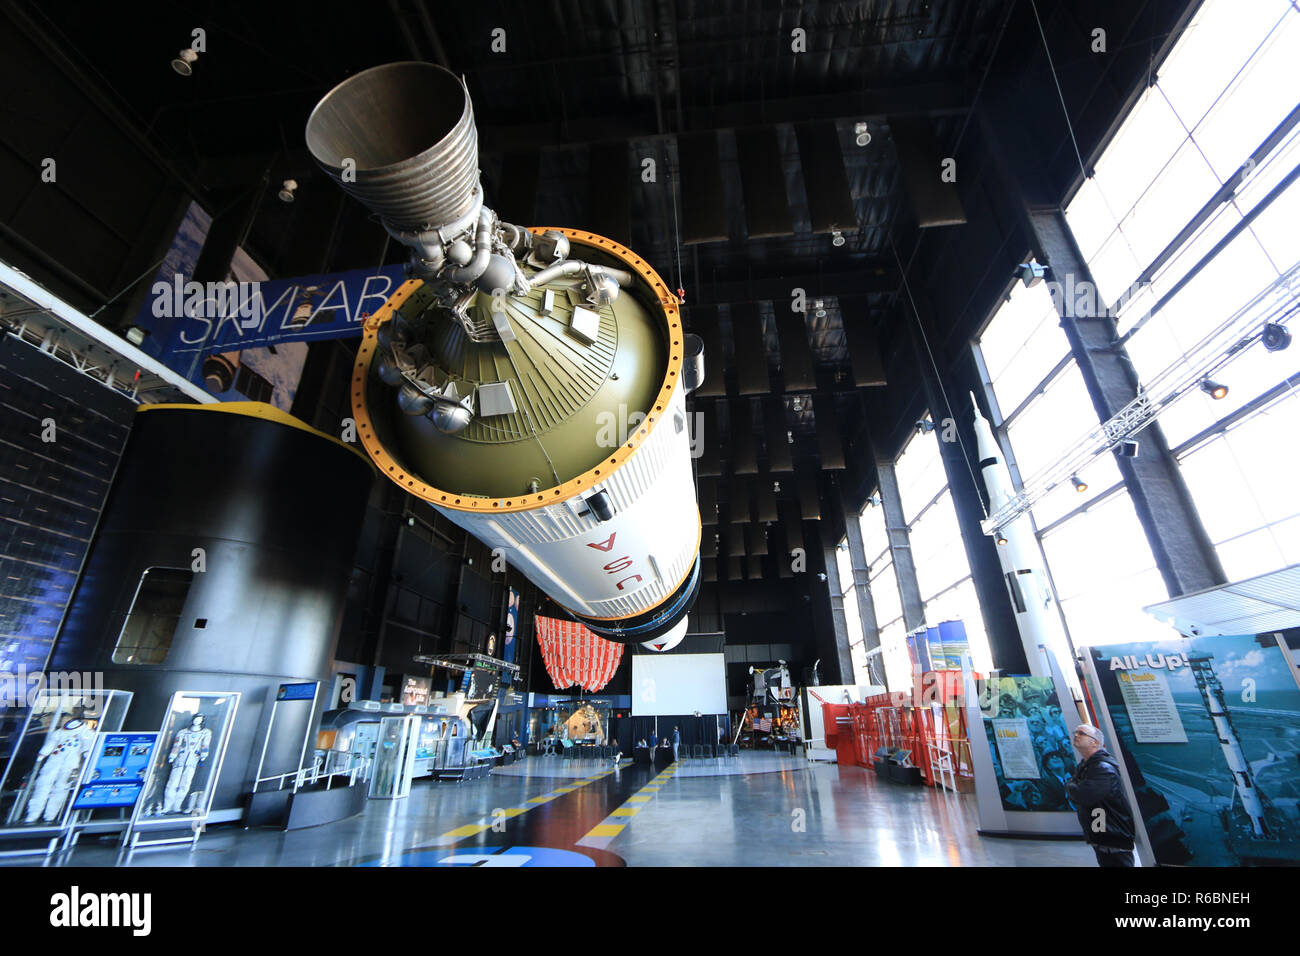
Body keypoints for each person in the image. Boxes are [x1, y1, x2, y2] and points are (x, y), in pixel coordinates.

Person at [1066, 724, 1136, 867]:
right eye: (1076, 732)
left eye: (1082, 733)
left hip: (1112, 835)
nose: (1076, 735)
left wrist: (1069, 786)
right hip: (1101, 833)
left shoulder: (1102, 768)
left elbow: (1083, 795)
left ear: (1095, 742)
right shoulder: (1086, 765)